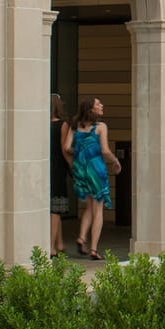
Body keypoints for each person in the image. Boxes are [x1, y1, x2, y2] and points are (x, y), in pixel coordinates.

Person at [65, 95, 121, 260]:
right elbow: (104, 150)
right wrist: (115, 160)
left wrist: (80, 154)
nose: (101, 105)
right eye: (98, 104)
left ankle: (82, 238)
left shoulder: (75, 126)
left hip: (82, 169)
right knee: (98, 210)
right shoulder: (100, 127)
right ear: (91, 109)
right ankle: (94, 249)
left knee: (89, 206)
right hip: (96, 168)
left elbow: (67, 147)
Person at [49, 93, 71, 258]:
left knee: (54, 206)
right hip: (58, 167)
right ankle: (50, 247)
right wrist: (73, 166)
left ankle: (60, 243)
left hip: (46, 167)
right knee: (56, 209)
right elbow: (65, 149)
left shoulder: (42, 124)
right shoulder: (63, 125)